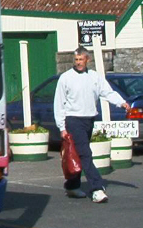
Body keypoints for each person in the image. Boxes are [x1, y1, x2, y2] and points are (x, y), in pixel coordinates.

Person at [54, 47, 131, 203]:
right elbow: (59, 104)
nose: (78, 63)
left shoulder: (94, 77)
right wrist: (61, 127)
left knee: (77, 154)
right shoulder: (65, 78)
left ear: (87, 60)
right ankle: (97, 188)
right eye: (76, 60)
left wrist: (121, 102)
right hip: (73, 119)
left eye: (81, 59)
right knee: (85, 154)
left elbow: (107, 92)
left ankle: (72, 185)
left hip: (89, 119)